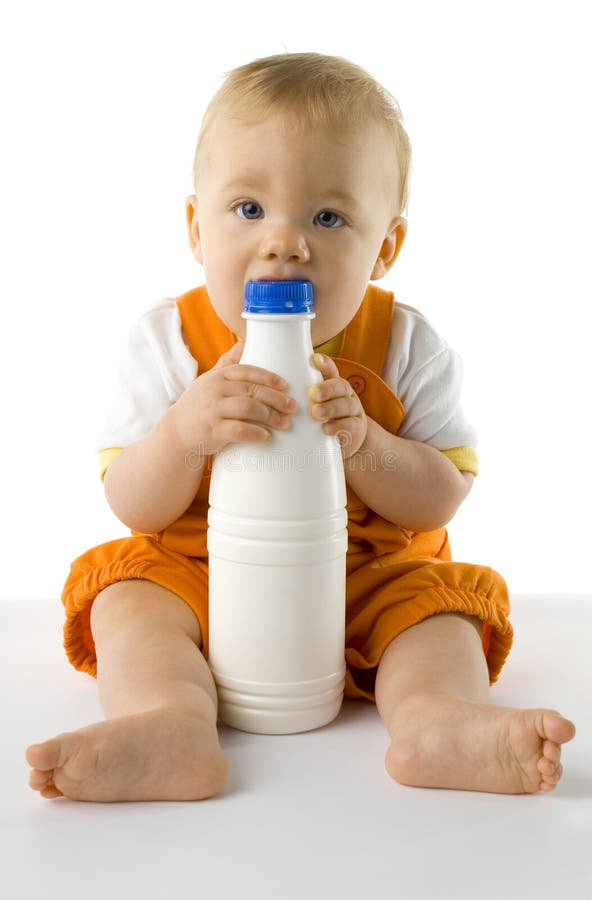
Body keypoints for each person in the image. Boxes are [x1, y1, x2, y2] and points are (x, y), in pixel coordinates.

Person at [26, 52, 575, 802]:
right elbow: (134, 504)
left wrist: (367, 444)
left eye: (328, 217)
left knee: (437, 615)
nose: (284, 242)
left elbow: (439, 498)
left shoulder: (407, 344)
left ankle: (436, 722)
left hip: (369, 578)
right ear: (196, 228)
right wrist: (186, 431)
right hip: (203, 574)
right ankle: (169, 722)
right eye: (249, 209)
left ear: (385, 247)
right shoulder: (168, 342)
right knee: (131, 600)